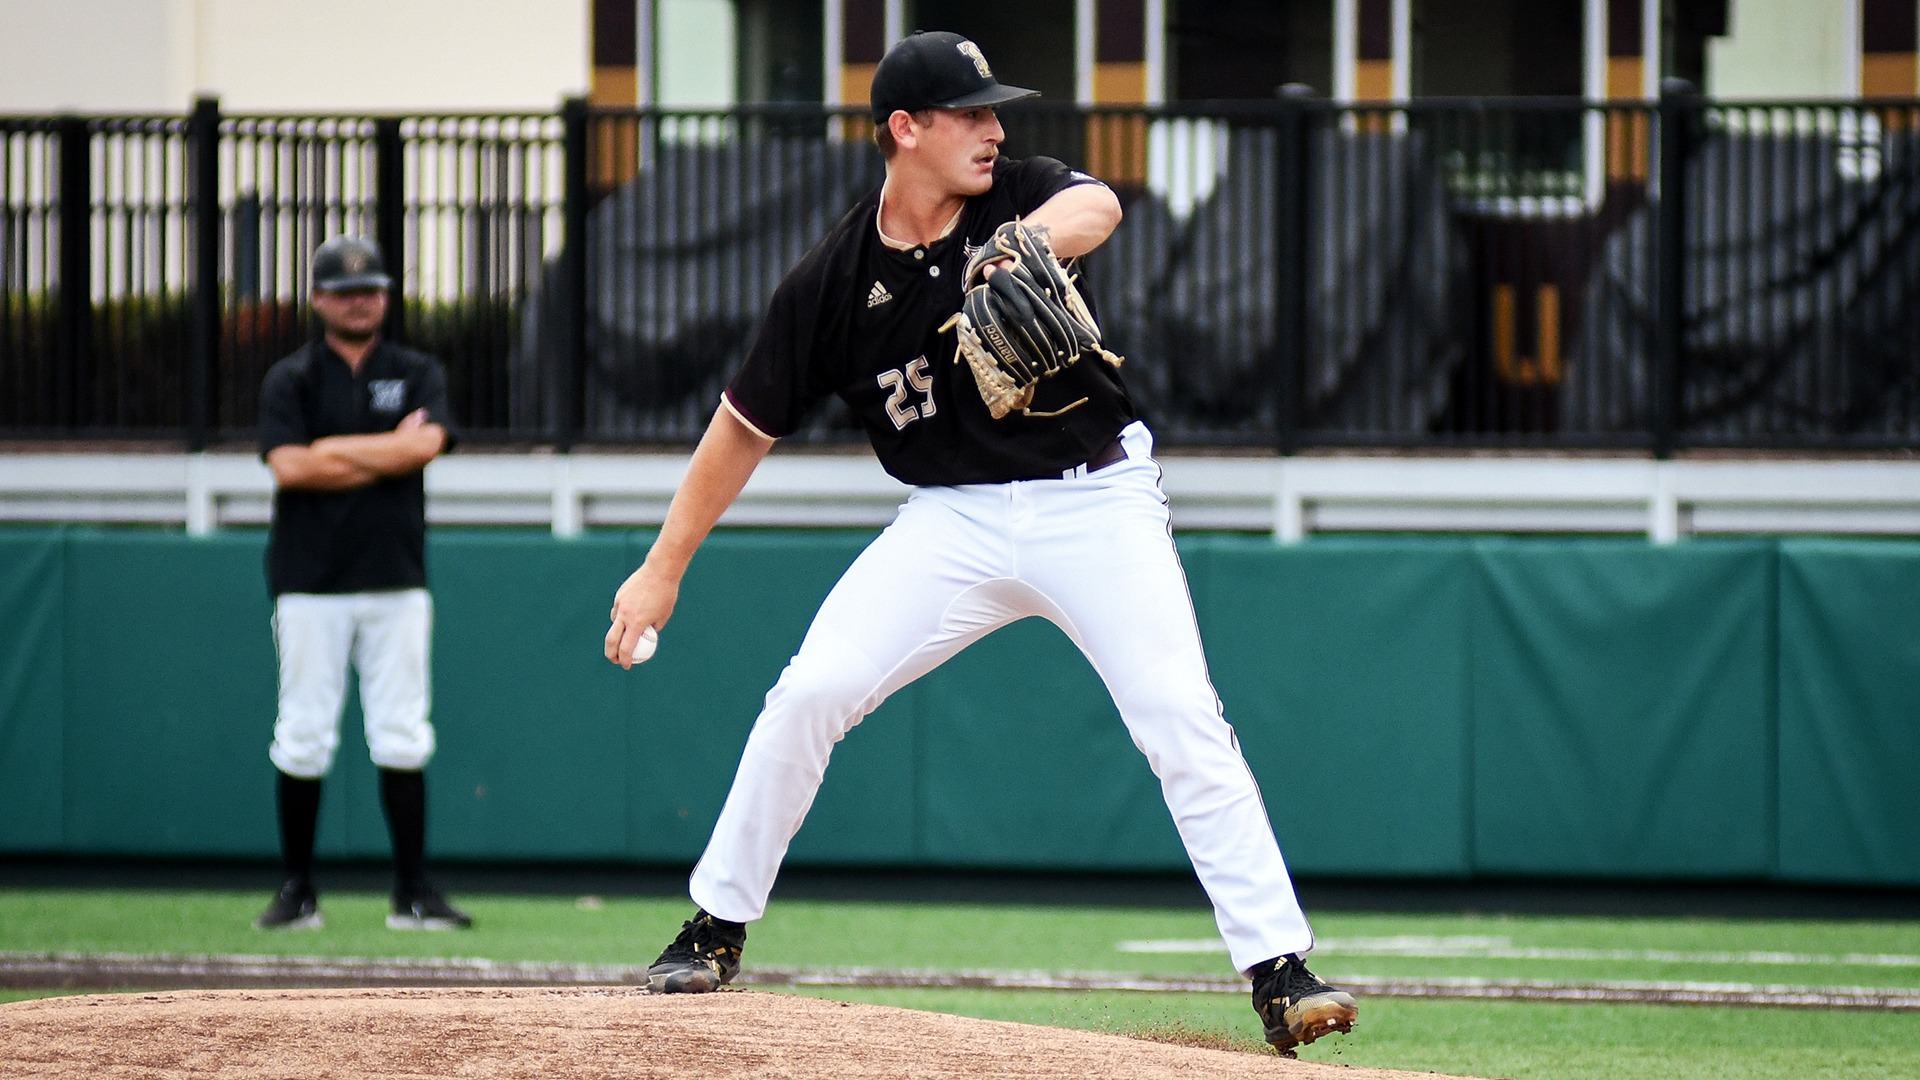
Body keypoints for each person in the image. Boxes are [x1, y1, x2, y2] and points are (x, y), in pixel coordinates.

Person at [604, 32, 1356, 1052]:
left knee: (1179, 713)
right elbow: (742, 427)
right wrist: (661, 568)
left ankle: (1279, 968)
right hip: (950, 518)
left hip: (1094, 498)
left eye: (996, 110)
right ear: (904, 130)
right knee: (814, 691)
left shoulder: (1018, 193)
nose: (995, 129)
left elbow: (1100, 204)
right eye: (970, 113)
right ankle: (715, 925)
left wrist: (1021, 242)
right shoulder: (828, 284)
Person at [253, 235, 472, 932]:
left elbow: (427, 444)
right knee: (304, 732)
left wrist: (334, 451)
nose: (360, 301)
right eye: (346, 291)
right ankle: (297, 891)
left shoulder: (415, 371)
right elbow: (289, 468)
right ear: (318, 298)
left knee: (402, 730)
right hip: (309, 579)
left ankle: (412, 894)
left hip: (393, 576)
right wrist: (388, 452)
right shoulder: (292, 378)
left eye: (372, 289)